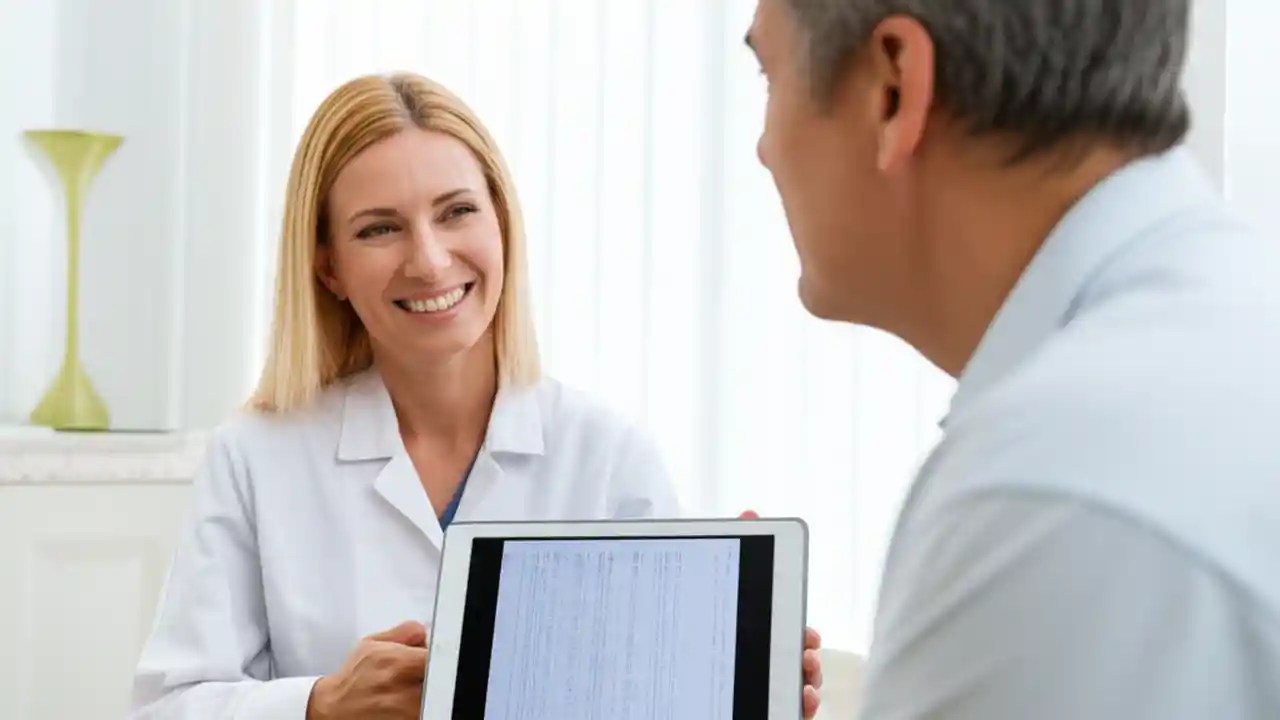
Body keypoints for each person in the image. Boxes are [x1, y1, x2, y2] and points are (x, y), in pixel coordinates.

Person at [129, 73, 822, 719]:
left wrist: (736, 690)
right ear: (329, 267)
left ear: (502, 225)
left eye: (456, 212)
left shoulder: (606, 455)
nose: (429, 260)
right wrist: (321, 704)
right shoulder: (257, 454)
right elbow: (166, 705)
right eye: (379, 228)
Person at [747, 0, 1280, 717]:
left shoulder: (1056, 488)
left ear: (895, 87)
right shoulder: (1226, 324)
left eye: (767, 76)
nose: (763, 148)